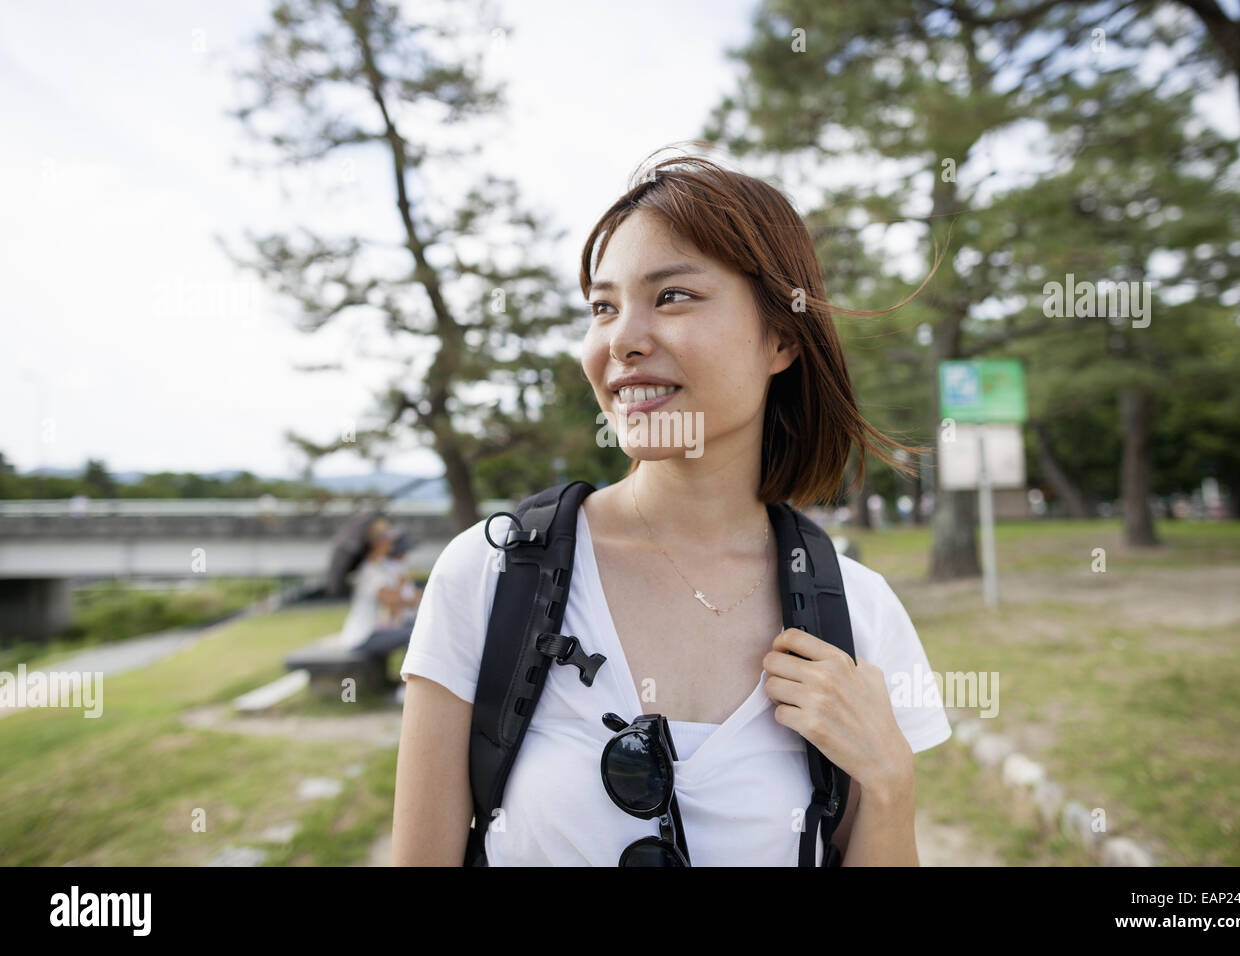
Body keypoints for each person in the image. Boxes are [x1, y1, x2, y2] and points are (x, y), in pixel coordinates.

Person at [392, 149, 953, 866]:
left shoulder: (859, 614)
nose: (622, 341)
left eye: (673, 296)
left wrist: (889, 779)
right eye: (603, 307)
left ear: (781, 336)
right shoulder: (491, 574)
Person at [339, 517, 420, 654]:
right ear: (378, 543)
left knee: (414, 628)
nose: (392, 540)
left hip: (375, 631)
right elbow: (391, 602)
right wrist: (408, 591)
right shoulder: (369, 570)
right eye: (388, 536)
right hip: (363, 636)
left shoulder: (379, 567)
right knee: (415, 632)